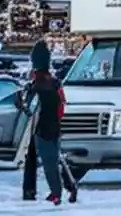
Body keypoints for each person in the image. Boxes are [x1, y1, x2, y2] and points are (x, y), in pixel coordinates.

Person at [19, 40, 77, 204]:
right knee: (57, 159)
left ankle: (56, 192)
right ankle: (70, 186)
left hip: (41, 127)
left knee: (49, 162)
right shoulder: (55, 82)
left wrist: (23, 103)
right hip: (55, 126)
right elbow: (61, 104)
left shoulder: (36, 84)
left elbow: (29, 107)